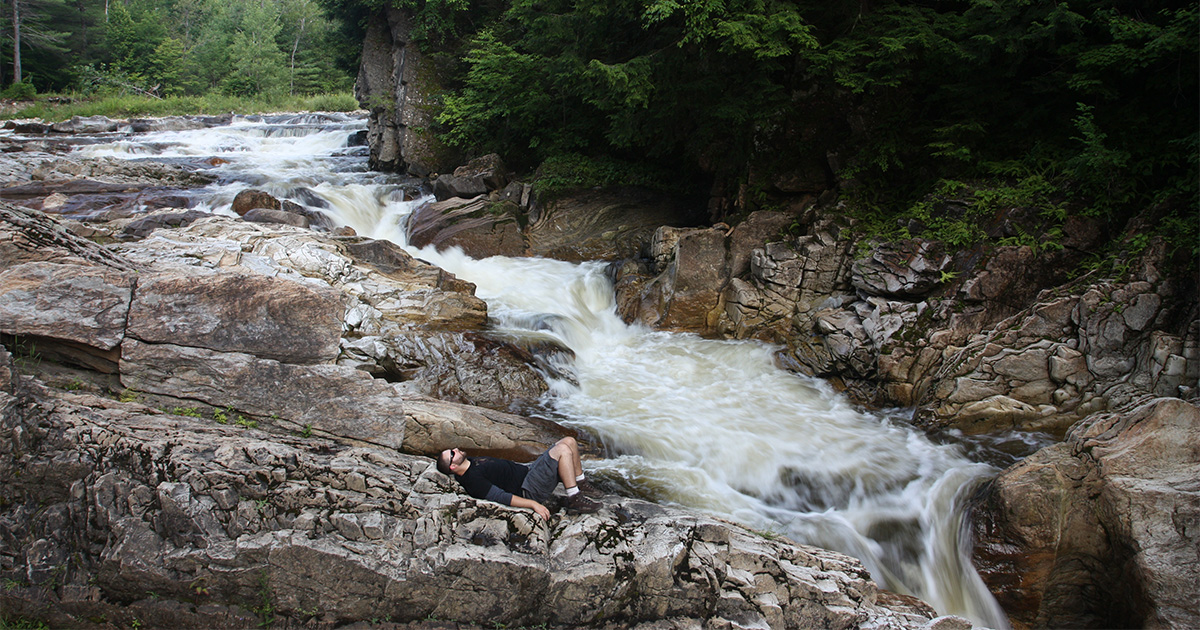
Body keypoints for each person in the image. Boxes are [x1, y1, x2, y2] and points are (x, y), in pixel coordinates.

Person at [437, 436, 602, 519]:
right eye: (452, 453)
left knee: (569, 441)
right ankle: (575, 497)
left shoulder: (470, 462)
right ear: (453, 466)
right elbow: (501, 497)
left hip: (528, 471)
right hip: (529, 488)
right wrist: (533, 504)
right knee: (563, 450)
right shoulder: (473, 480)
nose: (456, 449)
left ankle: (580, 482)